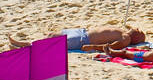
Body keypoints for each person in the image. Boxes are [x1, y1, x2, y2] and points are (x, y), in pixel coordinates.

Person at [10, 25, 144, 52]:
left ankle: (25, 47)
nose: (138, 28)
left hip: (84, 40)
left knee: (53, 43)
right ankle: (26, 43)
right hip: (82, 32)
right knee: (51, 36)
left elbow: (112, 47)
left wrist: (92, 47)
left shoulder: (126, 38)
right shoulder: (125, 30)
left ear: (136, 38)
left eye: (140, 32)